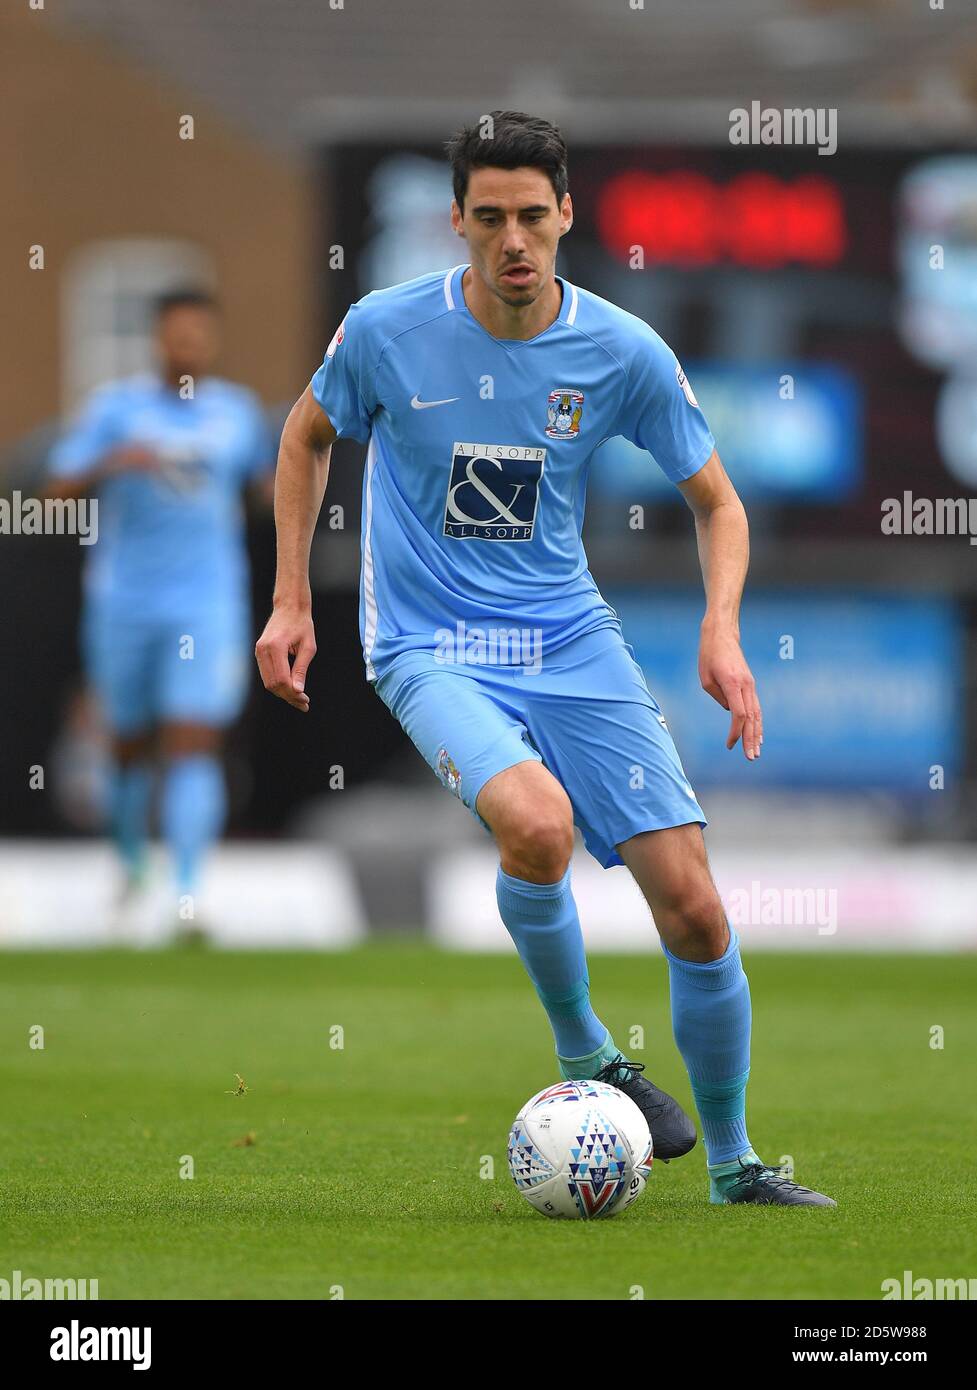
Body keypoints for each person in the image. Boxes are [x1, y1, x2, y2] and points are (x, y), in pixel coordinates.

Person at [256, 113, 834, 1206]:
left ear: (566, 213)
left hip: (567, 638)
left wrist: (720, 629)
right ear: (457, 223)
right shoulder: (386, 330)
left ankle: (732, 1166)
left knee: (696, 909)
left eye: (531, 215)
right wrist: (292, 599)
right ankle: (587, 1057)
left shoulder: (619, 350)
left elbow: (718, 503)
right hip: (429, 645)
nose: (511, 240)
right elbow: (304, 436)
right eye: (488, 219)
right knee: (536, 824)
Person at [48, 289, 273, 936]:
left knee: (193, 736)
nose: (188, 348)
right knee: (127, 743)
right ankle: (129, 863)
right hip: (125, 599)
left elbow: (263, 488)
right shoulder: (115, 410)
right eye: (177, 336)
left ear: (213, 341)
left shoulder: (235, 413)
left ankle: (187, 892)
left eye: (199, 336)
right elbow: (54, 489)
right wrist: (114, 460)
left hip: (205, 602)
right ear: (158, 340)